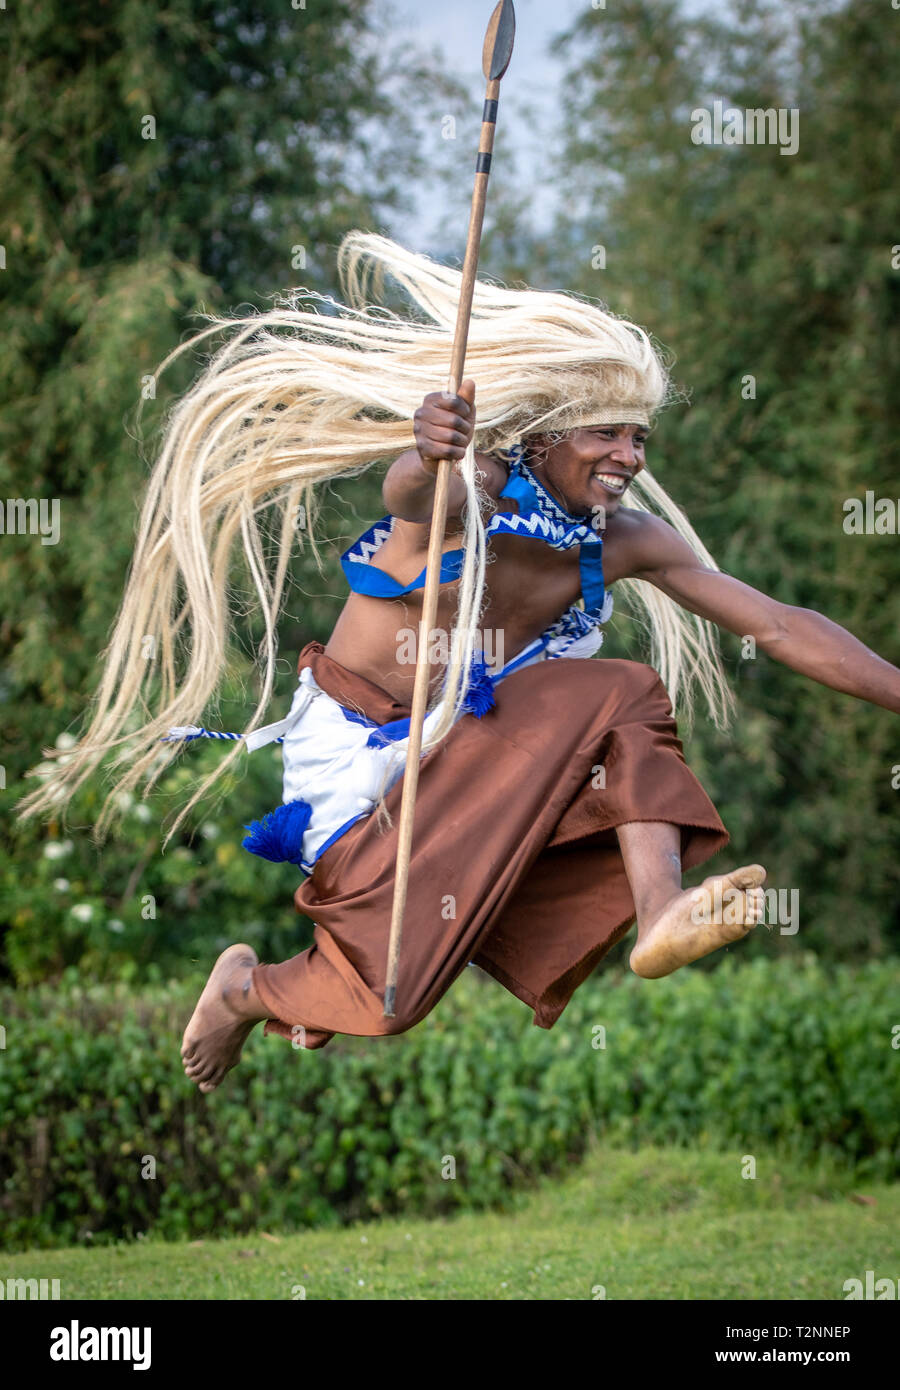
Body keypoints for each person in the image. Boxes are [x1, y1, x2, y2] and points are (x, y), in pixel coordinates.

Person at [19, 234, 900, 1092]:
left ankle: (661, 907)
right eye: (607, 434)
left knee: (621, 691)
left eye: (641, 439)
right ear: (544, 436)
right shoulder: (466, 489)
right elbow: (407, 496)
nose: (630, 457)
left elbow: (780, 624)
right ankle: (247, 989)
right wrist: (428, 445)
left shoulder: (624, 541)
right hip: (353, 768)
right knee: (393, 999)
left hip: (466, 753)